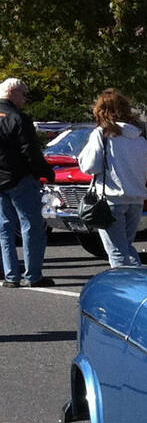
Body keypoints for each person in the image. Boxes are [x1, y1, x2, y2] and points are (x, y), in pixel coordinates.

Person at [77, 89, 147, 268]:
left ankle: (126, 289)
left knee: (117, 252)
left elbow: (89, 166)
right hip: (136, 200)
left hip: (112, 199)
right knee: (126, 248)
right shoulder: (139, 137)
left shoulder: (102, 134)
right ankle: (137, 281)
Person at [0, 77, 56, 287]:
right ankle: (33, 275)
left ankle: (11, 276)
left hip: (1, 180)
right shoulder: (18, 118)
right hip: (20, 178)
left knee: (4, 227)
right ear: (13, 93)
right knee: (31, 225)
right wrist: (45, 171)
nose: (25, 99)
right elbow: (29, 150)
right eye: (23, 94)